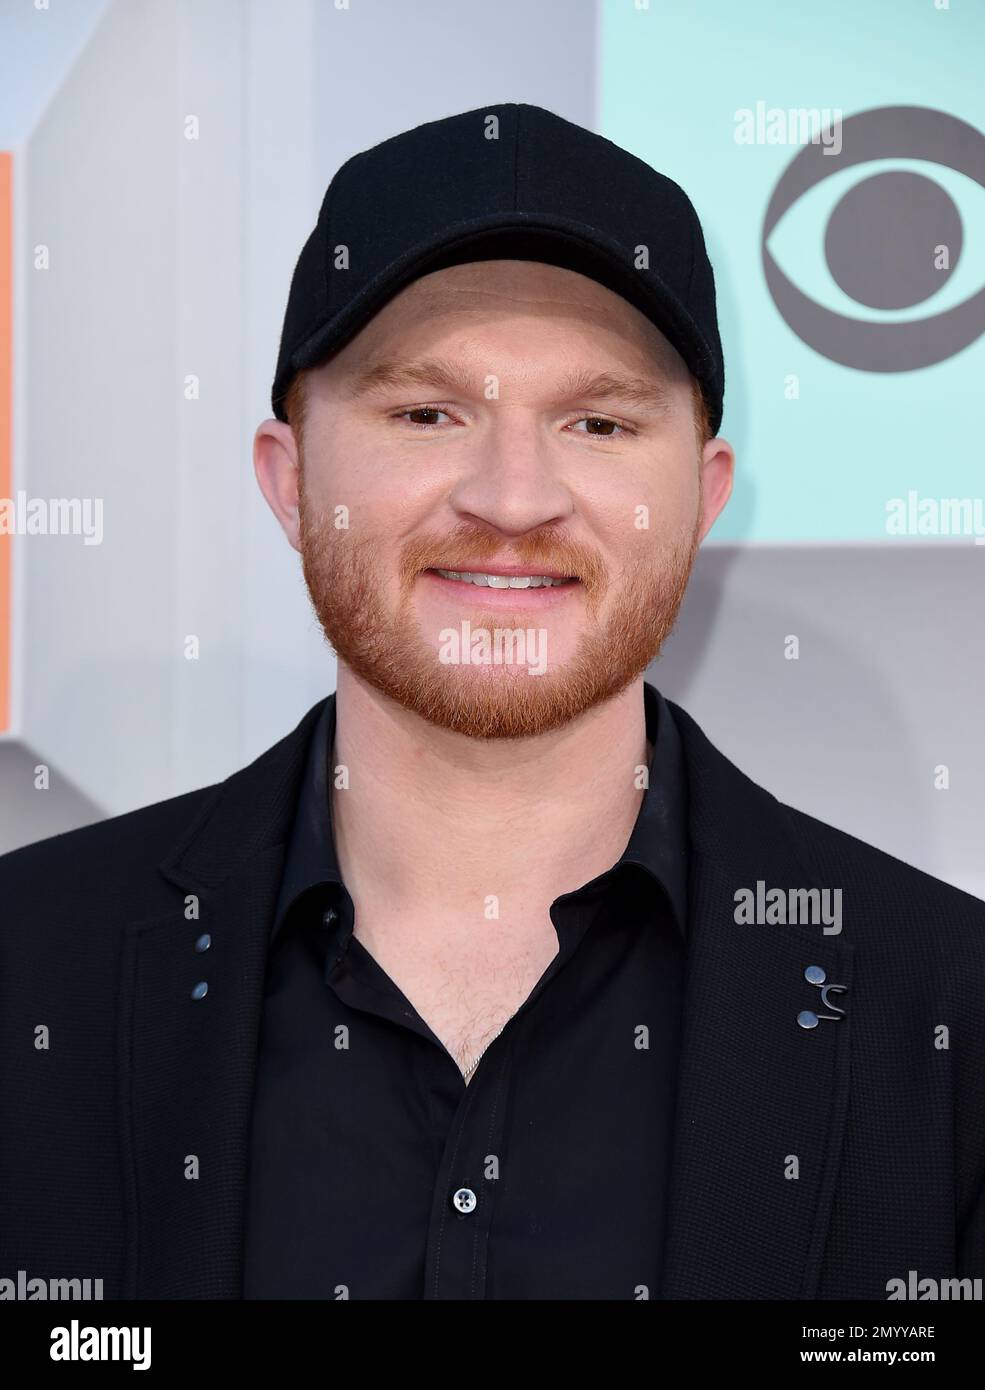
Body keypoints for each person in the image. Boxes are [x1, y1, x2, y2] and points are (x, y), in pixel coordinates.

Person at [1, 104, 982, 1302]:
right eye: (427, 413)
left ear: (701, 493)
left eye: (597, 423)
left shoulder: (949, 1012)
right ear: (291, 477)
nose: (513, 498)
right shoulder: (27, 972)